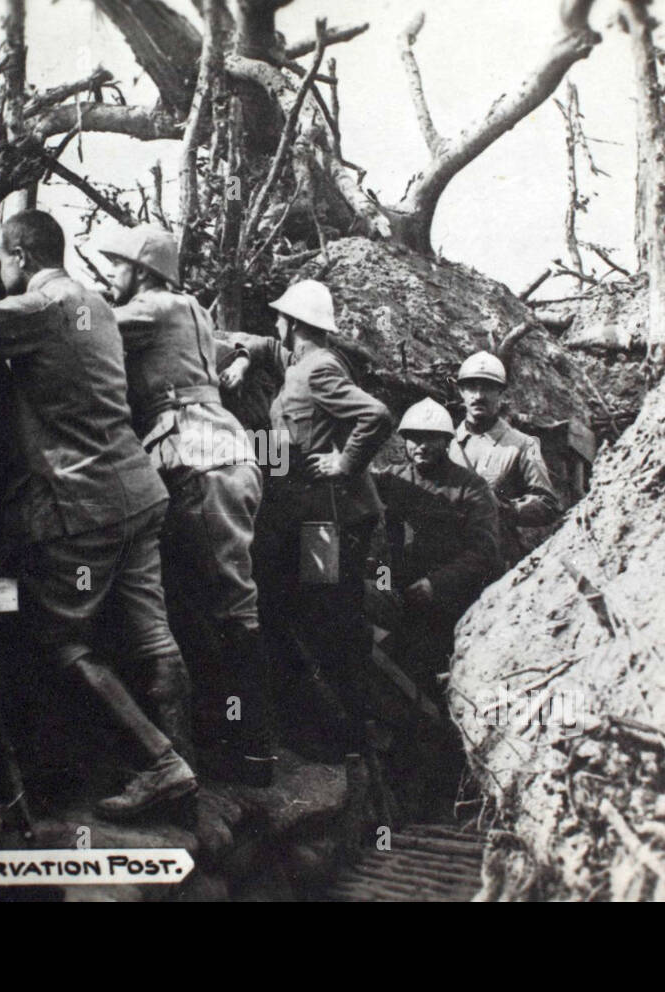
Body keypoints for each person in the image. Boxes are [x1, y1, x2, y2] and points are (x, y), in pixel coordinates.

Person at [0, 210, 195, 822]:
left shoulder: (40, 308)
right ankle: (184, 771)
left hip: (83, 504)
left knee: (59, 640)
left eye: (3, 259)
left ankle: (161, 763)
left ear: (17, 254)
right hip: (139, 496)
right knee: (151, 633)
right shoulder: (93, 301)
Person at [100, 225, 275, 787]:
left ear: (144, 272)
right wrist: (243, 355)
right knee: (225, 604)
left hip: (197, 462)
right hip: (228, 457)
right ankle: (244, 748)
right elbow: (241, 342)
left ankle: (244, 752)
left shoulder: (153, 307)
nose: (111, 276)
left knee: (225, 610)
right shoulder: (192, 309)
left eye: (118, 267)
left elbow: (84, 324)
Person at [221, 280, 392, 758]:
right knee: (308, 612)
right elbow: (263, 345)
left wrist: (345, 461)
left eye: (281, 318)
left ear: (294, 323)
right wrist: (239, 356)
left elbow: (376, 415)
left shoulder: (317, 371)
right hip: (311, 514)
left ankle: (344, 736)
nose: (275, 325)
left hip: (329, 520)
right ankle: (337, 729)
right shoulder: (297, 361)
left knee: (327, 619)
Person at [369, 398, 501, 696]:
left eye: (431, 438)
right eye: (414, 438)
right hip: (401, 594)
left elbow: (485, 551)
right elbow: (379, 542)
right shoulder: (394, 479)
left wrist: (435, 584)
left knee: (436, 677)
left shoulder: (470, 487)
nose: (421, 446)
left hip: (449, 602)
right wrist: (384, 582)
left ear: (446, 442)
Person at [453, 351, 561, 564]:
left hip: (495, 555)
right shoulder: (447, 443)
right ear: (461, 392)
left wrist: (504, 509)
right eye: (472, 387)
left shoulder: (523, 444)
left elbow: (547, 505)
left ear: (501, 393)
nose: (479, 395)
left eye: (488, 388)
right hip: (448, 555)